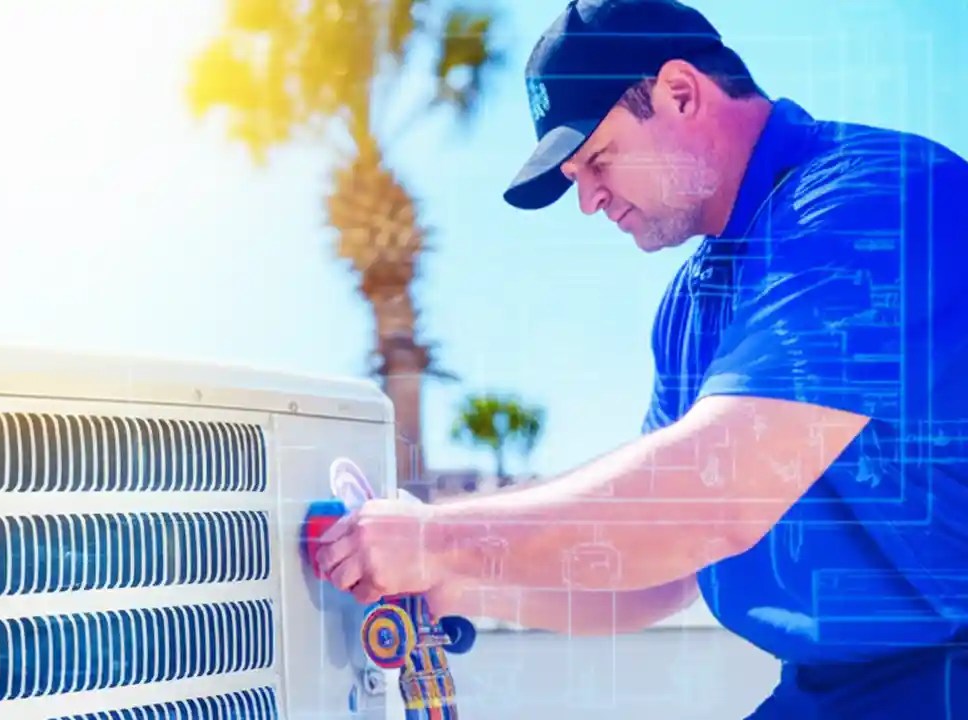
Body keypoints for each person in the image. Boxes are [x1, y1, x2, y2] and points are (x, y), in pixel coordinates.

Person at [313, 0, 968, 716]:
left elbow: (718, 498)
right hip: (833, 694)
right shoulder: (692, 309)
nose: (588, 201)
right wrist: (462, 579)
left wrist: (444, 537)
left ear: (680, 92)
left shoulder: (873, 203)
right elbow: (666, 565)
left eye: (597, 158)